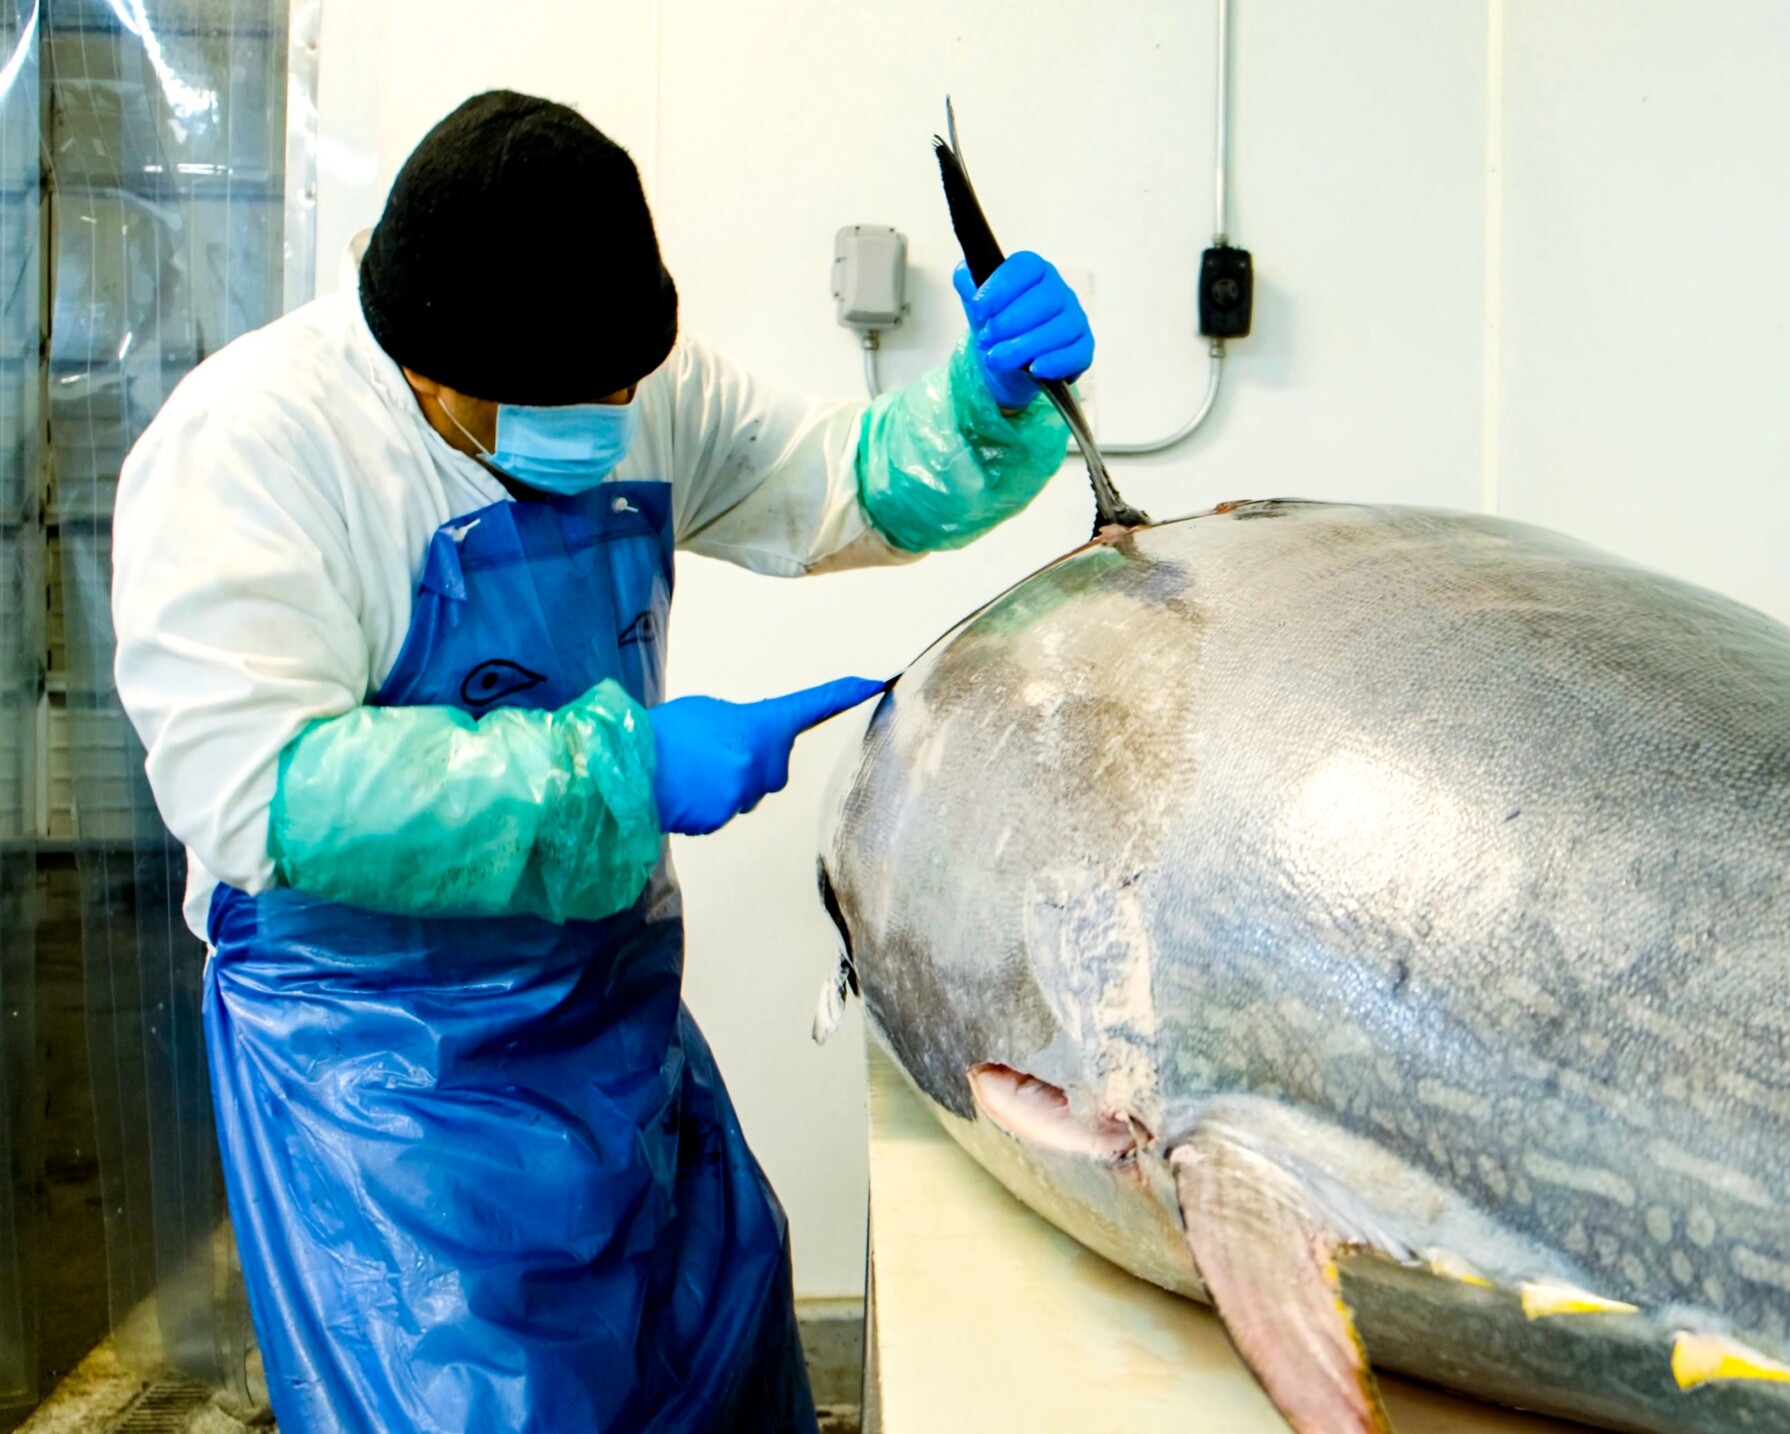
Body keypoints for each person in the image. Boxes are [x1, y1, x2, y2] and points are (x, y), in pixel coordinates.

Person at [108, 90, 1094, 1433]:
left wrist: (977, 407)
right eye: (571, 404)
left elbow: (831, 482)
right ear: (433, 370)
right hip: (388, 1078)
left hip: (614, 1011)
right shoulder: (254, 454)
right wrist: (617, 776)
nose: (611, 423)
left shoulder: (616, 380)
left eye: (624, 392)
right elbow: (260, 790)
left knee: (725, 1353)